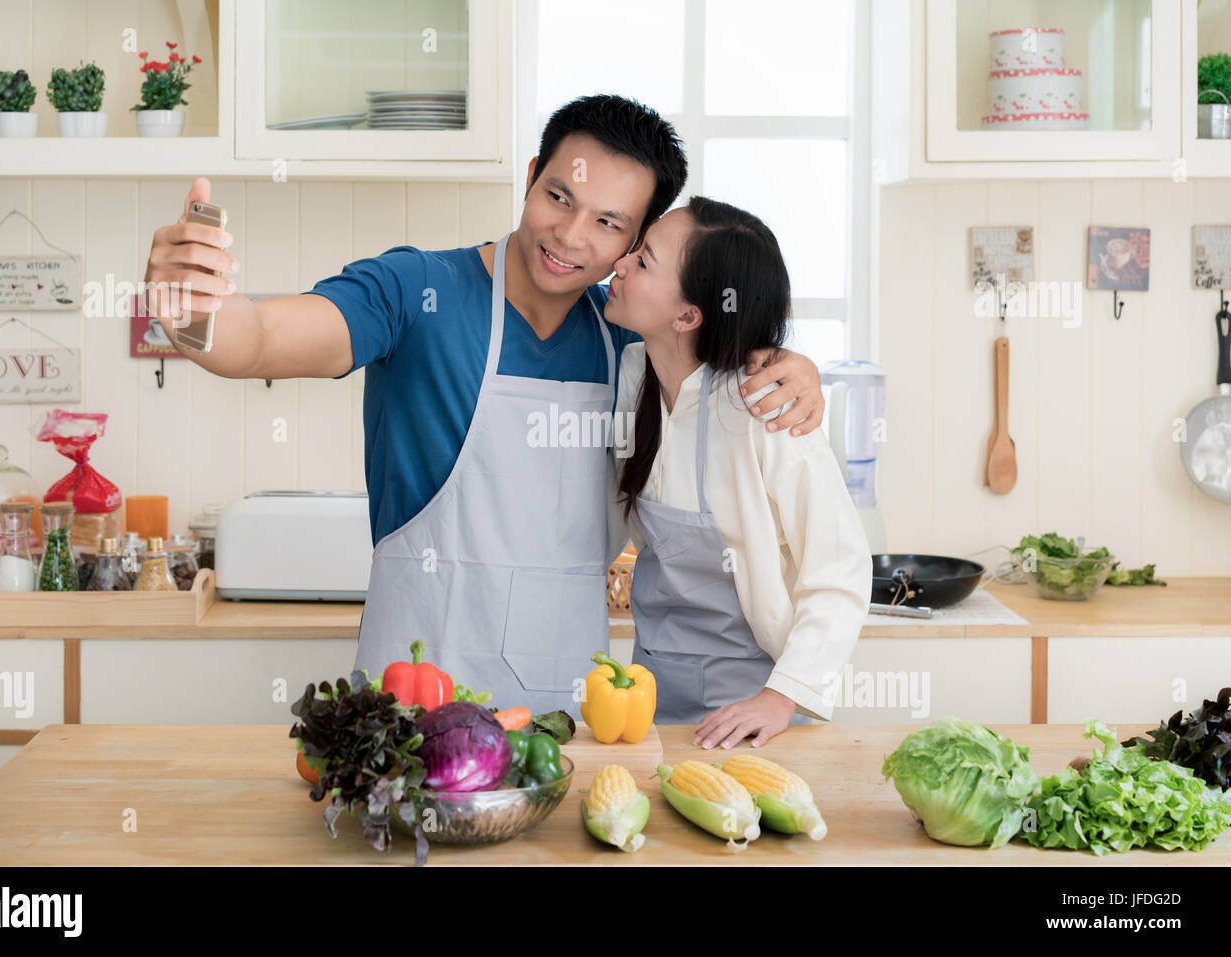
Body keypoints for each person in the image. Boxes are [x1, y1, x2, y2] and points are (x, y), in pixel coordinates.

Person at [143, 95, 828, 715]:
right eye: (558, 196)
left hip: (566, 721)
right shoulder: (416, 292)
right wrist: (195, 311)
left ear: (634, 243)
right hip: (409, 707)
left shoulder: (630, 336)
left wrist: (791, 366)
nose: (570, 235)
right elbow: (259, 339)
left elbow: (718, 350)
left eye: (608, 223)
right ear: (531, 174)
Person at [605, 196, 871, 748]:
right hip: (646, 696)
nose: (620, 264)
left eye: (644, 259)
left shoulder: (767, 408)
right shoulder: (629, 375)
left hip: (755, 712)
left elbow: (840, 570)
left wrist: (781, 697)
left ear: (686, 316)